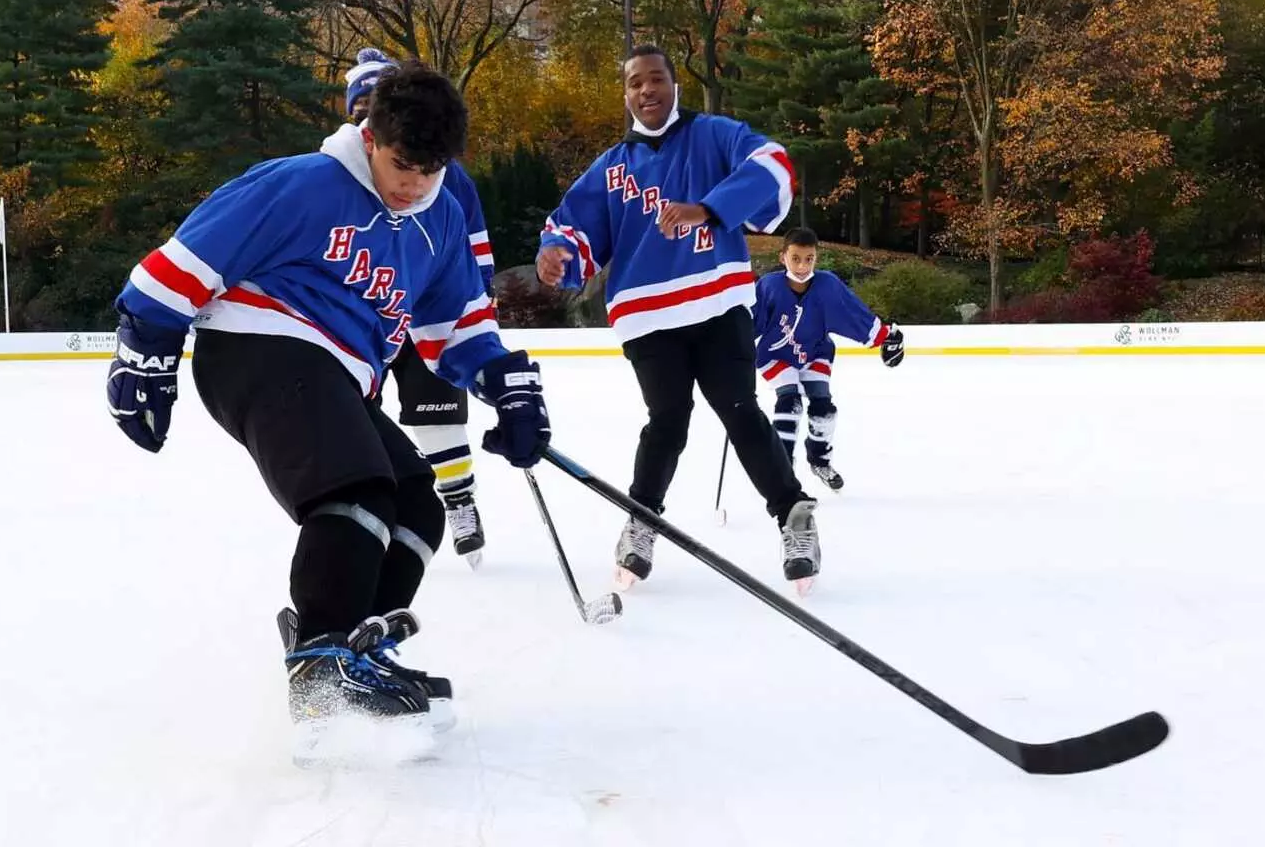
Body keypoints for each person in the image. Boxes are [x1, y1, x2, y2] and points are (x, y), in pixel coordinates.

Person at [104, 61, 551, 730]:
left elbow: (453, 328)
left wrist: (505, 385)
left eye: (432, 171)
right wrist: (143, 355)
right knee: (355, 489)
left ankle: (360, 648)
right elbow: (181, 264)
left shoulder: (442, 217)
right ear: (369, 137)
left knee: (415, 506)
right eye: (403, 165)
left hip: (339, 374)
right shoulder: (303, 184)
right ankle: (321, 668)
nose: (414, 185)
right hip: (257, 344)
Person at [535, 43, 821, 594]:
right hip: (647, 317)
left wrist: (710, 209)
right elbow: (571, 227)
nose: (647, 90)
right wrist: (558, 254)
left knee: (740, 412)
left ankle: (794, 516)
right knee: (667, 420)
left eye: (656, 79)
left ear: (674, 85)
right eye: (636, 83)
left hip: (717, 303)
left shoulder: (714, 135)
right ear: (626, 94)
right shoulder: (611, 166)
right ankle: (642, 521)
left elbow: (774, 164)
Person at [348, 49, 494, 567]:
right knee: (353, 423)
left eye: (373, 101)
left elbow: (473, 243)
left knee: (438, 419)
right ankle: (369, 512)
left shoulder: (445, 174)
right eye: (358, 105)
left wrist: (480, 296)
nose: (365, 113)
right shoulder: (335, 173)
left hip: (428, 314)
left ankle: (459, 502)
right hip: (365, 321)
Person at [753, 227, 905, 492]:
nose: (802, 265)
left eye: (809, 258)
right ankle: (782, 468)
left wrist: (883, 336)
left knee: (824, 409)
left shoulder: (827, 285)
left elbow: (852, 312)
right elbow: (750, 320)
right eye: (796, 258)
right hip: (776, 353)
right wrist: (731, 340)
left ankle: (819, 460)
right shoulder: (769, 286)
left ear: (816, 258)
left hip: (816, 351)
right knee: (789, 405)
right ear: (782, 258)